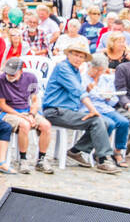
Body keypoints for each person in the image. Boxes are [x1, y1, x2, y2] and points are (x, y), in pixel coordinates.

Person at [40, 36, 117, 172]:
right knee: (97, 120)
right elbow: (77, 90)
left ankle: (77, 150)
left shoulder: (74, 70)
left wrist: (87, 90)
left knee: (107, 122)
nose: (78, 59)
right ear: (68, 54)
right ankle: (104, 159)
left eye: (81, 57)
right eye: (75, 55)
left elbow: (77, 90)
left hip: (69, 111)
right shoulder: (63, 68)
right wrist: (93, 109)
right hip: (55, 111)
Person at [0, 56, 53, 173]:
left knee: (46, 125)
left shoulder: (31, 78)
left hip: (26, 109)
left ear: (21, 71)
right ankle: (23, 159)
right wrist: (22, 116)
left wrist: (31, 115)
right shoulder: (0, 80)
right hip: (8, 111)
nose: (9, 76)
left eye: (13, 74)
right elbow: (2, 105)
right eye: (7, 73)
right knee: (25, 125)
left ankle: (41, 159)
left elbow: (35, 100)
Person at [84, 53, 130, 167]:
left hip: (105, 107)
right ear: (90, 66)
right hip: (88, 107)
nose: (99, 73)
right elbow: (80, 96)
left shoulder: (106, 79)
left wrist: (109, 97)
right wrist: (89, 90)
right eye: (97, 70)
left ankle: (117, 152)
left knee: (123, 122)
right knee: (107, 123)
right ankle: (101, 152)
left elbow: (114, 100)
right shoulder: (83, 78)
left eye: (101, 70)